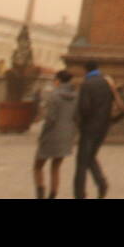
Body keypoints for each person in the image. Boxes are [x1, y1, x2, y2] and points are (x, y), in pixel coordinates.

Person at [34, 70, 79, 199]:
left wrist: (42, 135)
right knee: (56, 168)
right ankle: (52, 195)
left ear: (58, 81)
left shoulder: (54, 96)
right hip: (66, 136)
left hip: (51, 135)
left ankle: (40, 193)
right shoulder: (76, 96)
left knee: (38, 166)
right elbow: (76, 117)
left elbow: (50, 119)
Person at [74, 60, 114, 199]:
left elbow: (84, 108)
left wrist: (80, 123)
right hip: (103, 126)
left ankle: (80, 194)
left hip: (89, 127)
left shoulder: (87, 84)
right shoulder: (106, 82)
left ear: (85, 69)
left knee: (81, 163)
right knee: (90, 157)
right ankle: (101, 183)